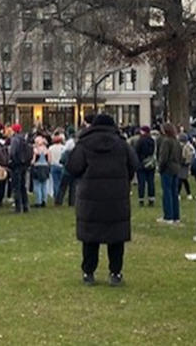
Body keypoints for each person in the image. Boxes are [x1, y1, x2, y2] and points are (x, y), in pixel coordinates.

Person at [66, 114, 137, 286]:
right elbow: (134, 164)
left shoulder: (84, 144)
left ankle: (88, 272)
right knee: (116, 238)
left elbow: (73, 167)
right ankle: (115, 272)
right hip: (116, 198)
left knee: (90, 238)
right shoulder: (121, 144)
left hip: (90, 197)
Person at [157, 123, 182, 224]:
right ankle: (176, 216)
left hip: (167, 169)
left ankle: (168, 216)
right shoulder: (176, 141)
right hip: (176, 168)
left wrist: (160, 168)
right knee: (174, 192)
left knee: (167, 193)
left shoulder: (166, 141)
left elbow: (163, 157)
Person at [8, 124, 31, 213]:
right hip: (24, 164)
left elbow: (12, 152)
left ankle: (18, 207)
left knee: (16, 187)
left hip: (16, 165)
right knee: (23, 186)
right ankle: (25, 206)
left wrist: (11, 161)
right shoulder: (24, 139)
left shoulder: (14, 140)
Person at [135, 126, 157, 207]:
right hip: (150, 163)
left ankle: (141, 199)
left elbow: (136, 151)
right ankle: (151, 199)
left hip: (141, 164)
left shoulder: (140, 140)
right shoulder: (152, 140)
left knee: (141, 183)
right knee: (151, 182)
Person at [31, 136, 50, 208]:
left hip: (37, 167)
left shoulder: (35, 150)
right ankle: (44, 200)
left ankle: (38, 201)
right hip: (45, 167)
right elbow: (49, 160)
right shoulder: (47, 150)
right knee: (44, 185)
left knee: (37, 185)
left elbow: (33, 160)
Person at [48, 135, 65, 201]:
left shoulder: (51, 148)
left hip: (54, 165)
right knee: (61, 182)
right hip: (61, 165)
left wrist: (49, 164)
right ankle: (60, 197)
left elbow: (49, 159)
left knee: (55, 182)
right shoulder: (63, 148)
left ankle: (56, 196)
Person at [178, 133, 195, 200]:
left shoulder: (185, 147)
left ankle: (178, 194)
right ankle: (188, 194)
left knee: (180, 180)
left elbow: (183, 156)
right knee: (184, 180)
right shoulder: (190, 146)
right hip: (186, 164)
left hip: (183, 164)